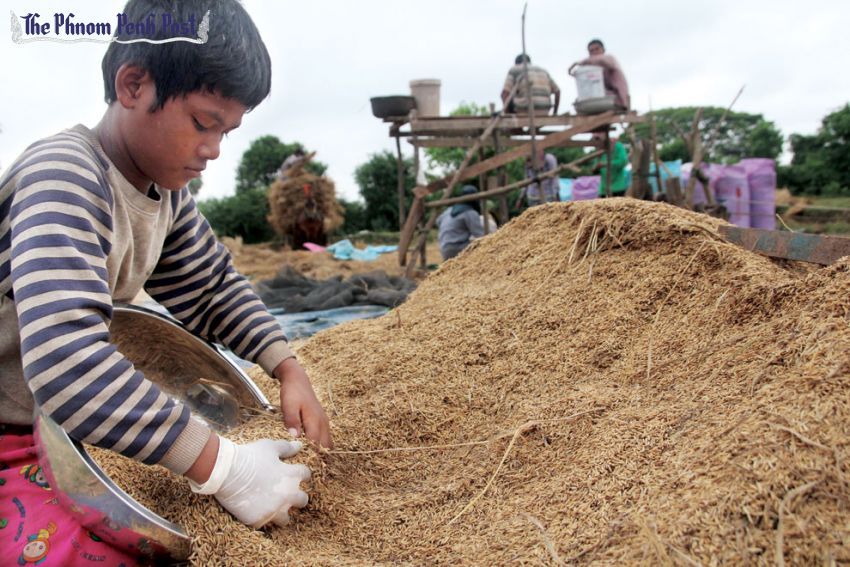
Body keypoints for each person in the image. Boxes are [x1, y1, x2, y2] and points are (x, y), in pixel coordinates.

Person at [0, 0, 332, 563]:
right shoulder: (65, 175)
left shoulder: (166, 194)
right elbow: (66, 361)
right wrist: (225, 468)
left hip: (63, 424)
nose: (213, 150)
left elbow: (212, 288)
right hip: (13, 426)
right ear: (133, 85)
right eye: (204, 123)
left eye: (227, 132)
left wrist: (286, 367)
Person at [569, 39, 631, 111]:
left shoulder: (609, 58)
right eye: (591, 51)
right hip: (602, 98)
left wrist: (579, 63)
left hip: (617, 98)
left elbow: (601, 60)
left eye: (597, 49)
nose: (594, 52)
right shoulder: (593, 68)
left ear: (603, 50)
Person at [436, 186, 485, 260]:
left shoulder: (449, 210)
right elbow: (480, 235)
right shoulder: (470, 213)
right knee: (482, 247)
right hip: (458, 249)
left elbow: (438, 222)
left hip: (444, 248)